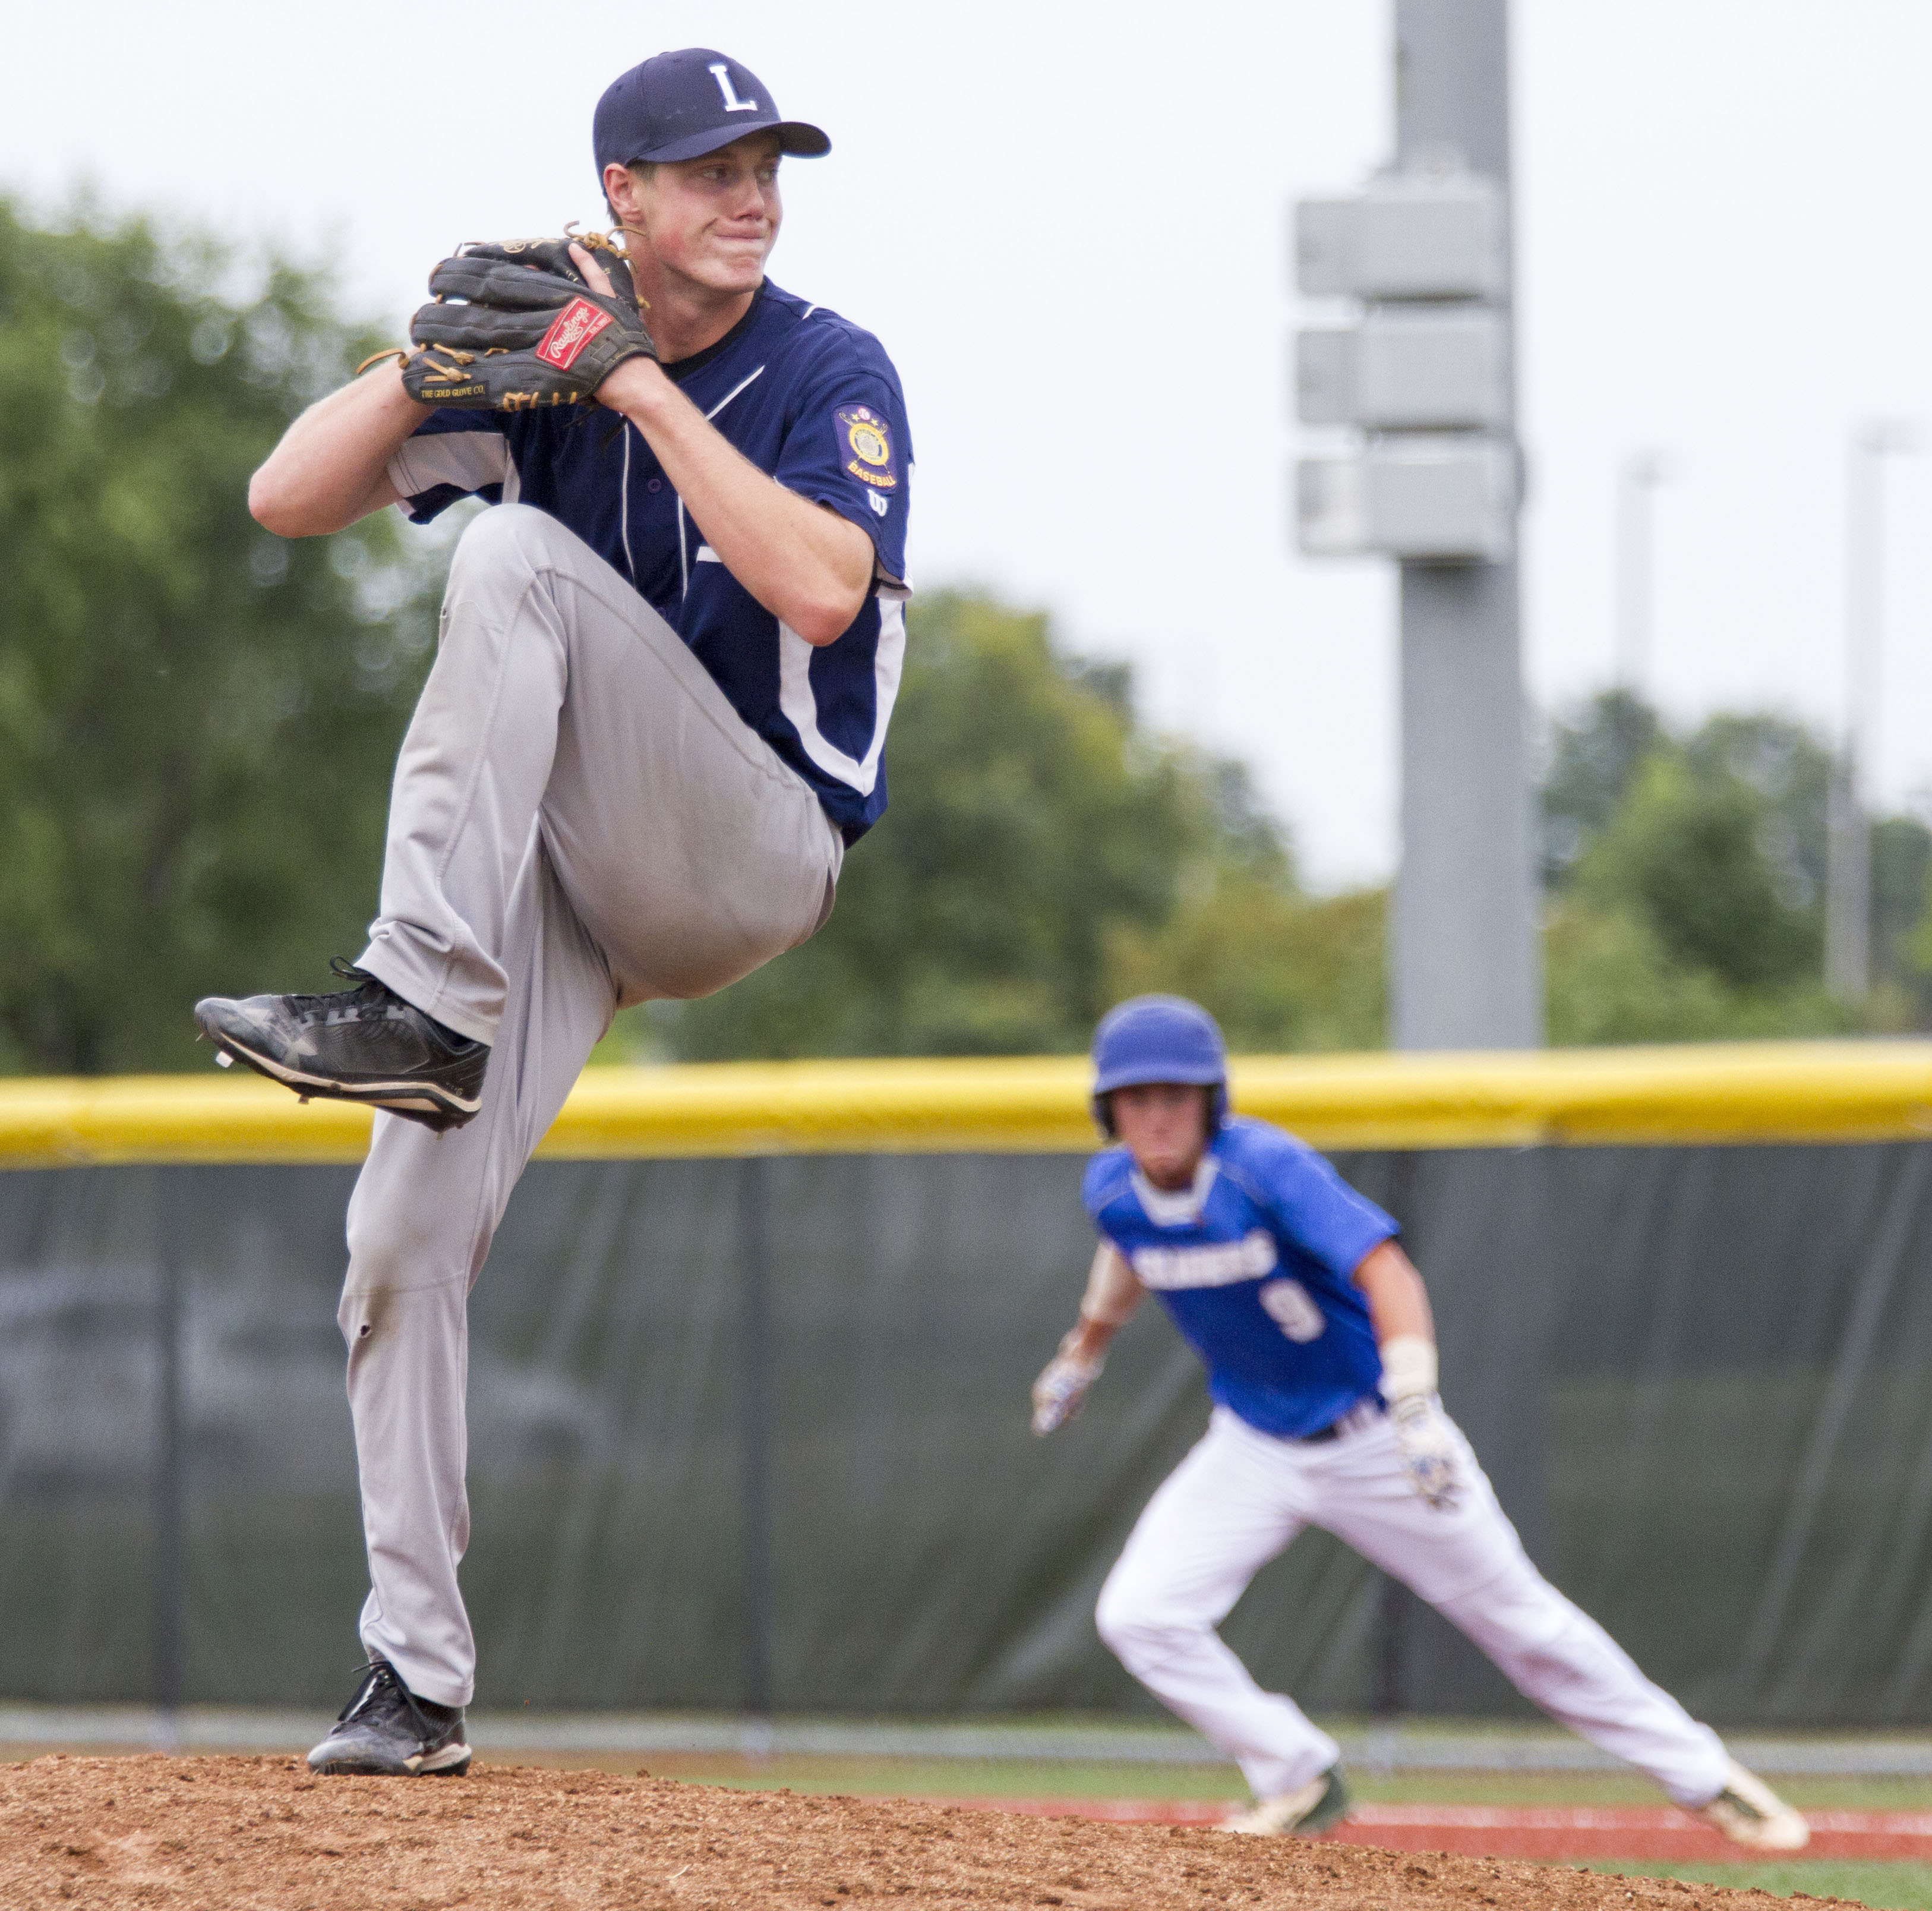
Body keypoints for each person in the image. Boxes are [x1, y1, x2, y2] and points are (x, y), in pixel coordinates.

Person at [194, 48, 911, 1776]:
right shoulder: (546, 366)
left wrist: (641, 389)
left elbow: (822, 591)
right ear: (624, 198)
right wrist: (417, 359)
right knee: (394, 1249)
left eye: (766, 164)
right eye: (711, 167)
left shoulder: (827, 364)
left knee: (506, 562)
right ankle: (414, 1679)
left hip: (748, 844)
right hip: (576, 881)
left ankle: (417, 996)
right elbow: (285, 496)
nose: (751, 193)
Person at [1031, 995, 1808, 1847]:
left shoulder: (1260, 1165)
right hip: (1252, 1445)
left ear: (1211, 1100)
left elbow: (1386, 1269)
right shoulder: (1111, 1186)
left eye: (1177, 1095)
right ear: (1109, 1109)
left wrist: (1416, 1405)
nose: (1158, 1114)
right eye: (1137, 1098)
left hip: (1375, 1439)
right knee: (1140, 1615)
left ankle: (1707, 1776)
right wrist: (1083, 1353)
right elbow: (1127, 1250)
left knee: (1525, 1627)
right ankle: (1297, 1775)